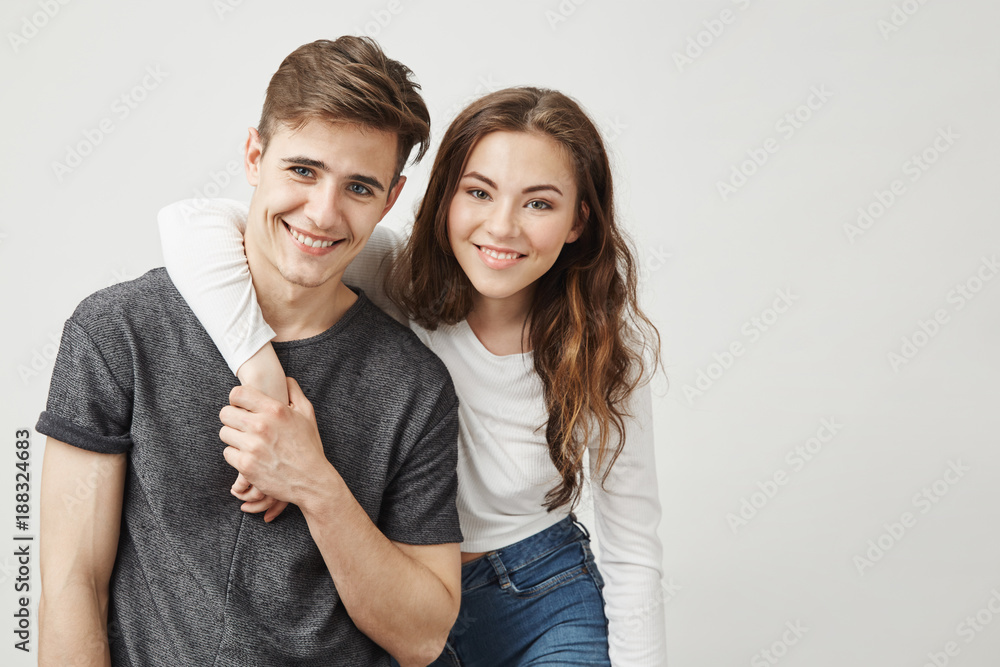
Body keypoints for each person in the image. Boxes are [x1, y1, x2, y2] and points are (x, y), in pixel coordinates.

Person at [160, 87, 667, 665]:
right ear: (444, 198)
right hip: (398, 594)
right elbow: (193, 224)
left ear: (579, 220)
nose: (501, 227)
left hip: (542, 597)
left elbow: (632, 551)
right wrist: (263, 379)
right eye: (478, 193)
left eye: (539, 204)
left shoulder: (603, 354)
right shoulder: (395, 275)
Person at [37, 36, 464, 667]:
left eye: (359, 187)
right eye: (303, 170)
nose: (322, 212)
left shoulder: (414, 384)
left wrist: (316, 485)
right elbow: (70, 585)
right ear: (253, 155)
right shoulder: (118, 330)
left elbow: (424, 637)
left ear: (391, 199)